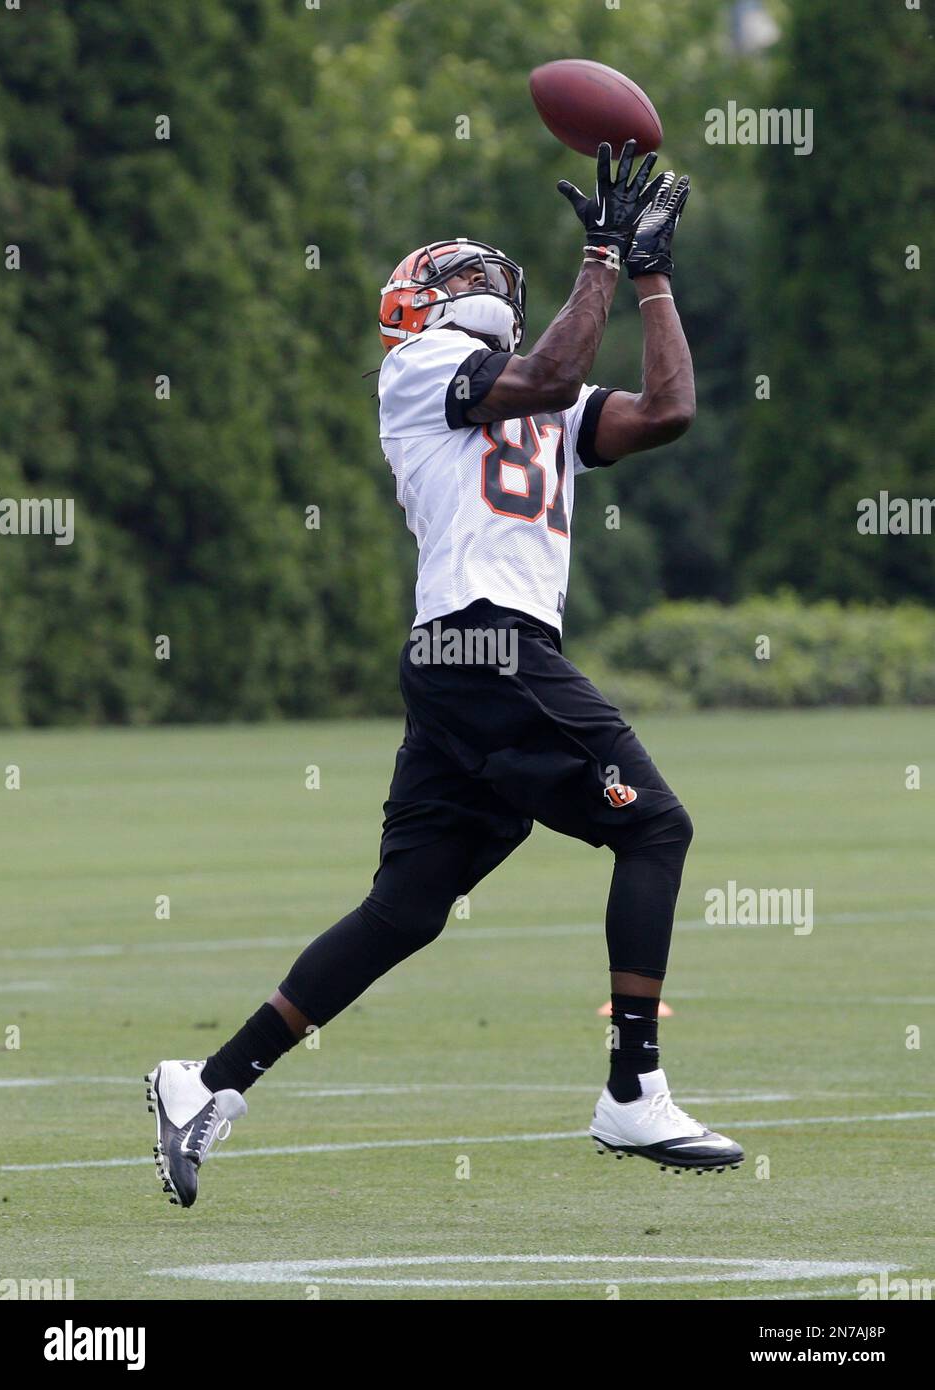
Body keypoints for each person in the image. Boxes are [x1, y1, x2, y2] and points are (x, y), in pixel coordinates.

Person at [145, 141, 743, 1209]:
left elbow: (666, 411)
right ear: (413, 305)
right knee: (653, 828)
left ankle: (206, 1080)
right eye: (462, 274)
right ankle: (632, 1087)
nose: (484, 285)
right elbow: (548, 374)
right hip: (484, 644)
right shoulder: (419, 369)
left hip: (476, 659)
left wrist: (649, 276)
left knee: (407, 908)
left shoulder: (545, 390)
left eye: (488, 274)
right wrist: (601, 254)